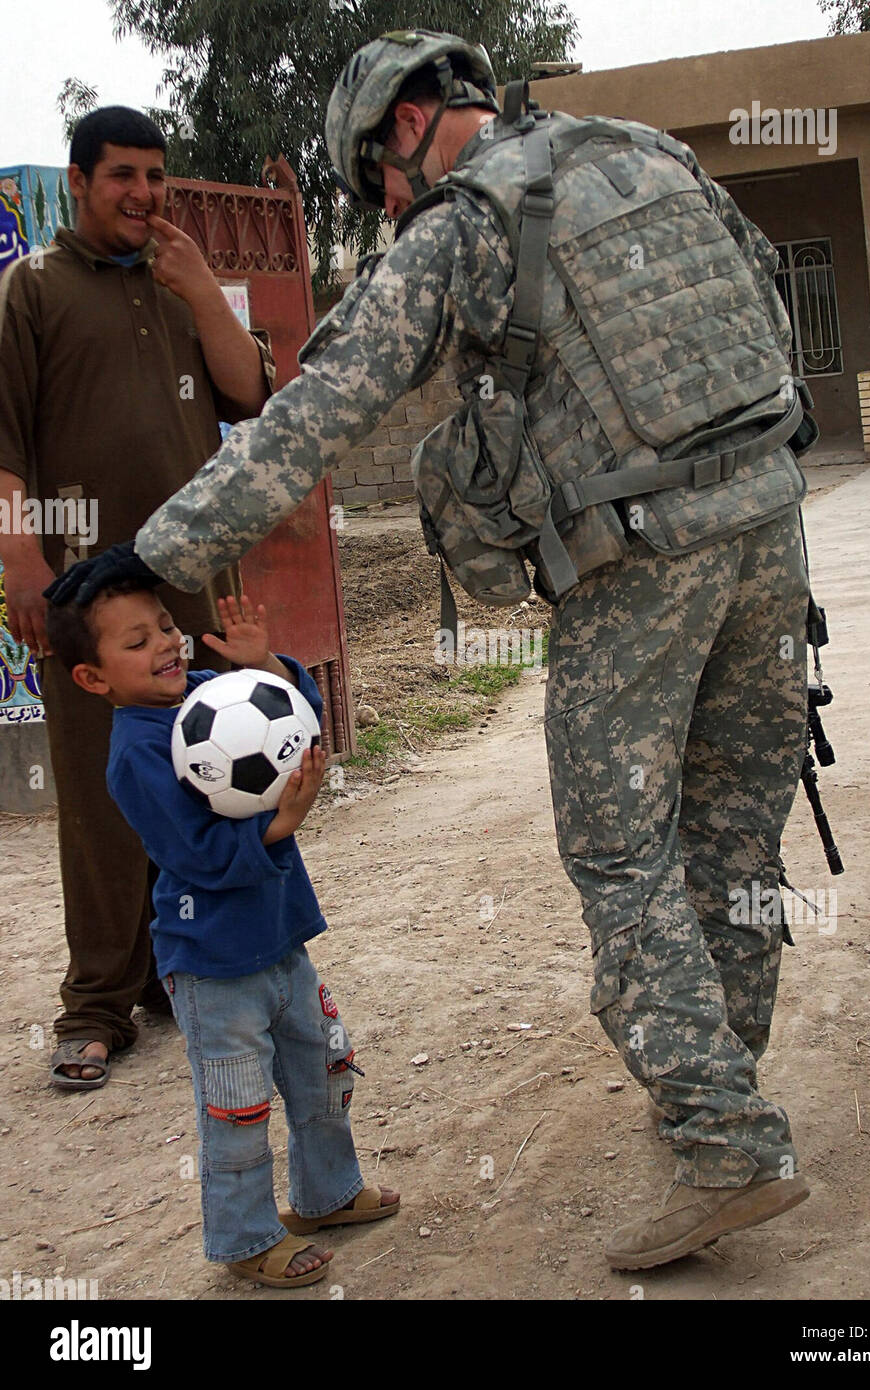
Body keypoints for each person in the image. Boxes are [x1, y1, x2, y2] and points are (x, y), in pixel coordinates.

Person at [48, 31, 814, 1271]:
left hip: (642, 562)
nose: (388, 208)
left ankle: (726, 1138)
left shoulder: (464, 227)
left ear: (406, 124)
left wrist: (156, 557)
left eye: (377, 184)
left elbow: (312, 416)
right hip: (774, 530)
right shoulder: (651, 154)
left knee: (623, 852)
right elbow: (766, 296)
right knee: (736, 830)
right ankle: (725, 1088)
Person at [0, 106, 275, 1090]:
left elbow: (249, 390)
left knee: (207, 764)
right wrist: (22, 562)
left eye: (155, 176)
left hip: (194, 582)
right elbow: (5, 442)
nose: (143, 195)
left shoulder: (178, 282)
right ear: (79, 183)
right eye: (122, 176)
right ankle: (97, 1002)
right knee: (102, 786)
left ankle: (183, 962)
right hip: (85, 587)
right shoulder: (31, 291)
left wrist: (202, 288)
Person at [43, 583, 399, 1286]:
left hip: (282, 938)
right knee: (237, 1108)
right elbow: (198, 853)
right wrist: (282, 823)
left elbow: (294, 720)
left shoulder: (211, 695)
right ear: (93, 677)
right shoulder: (135, 755)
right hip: (213, 964)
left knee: (324, 1071)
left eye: (167, 626)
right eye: (136, 642)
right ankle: (243, 1238)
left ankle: (326, 1195)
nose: (166, 645)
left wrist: (267, 664)